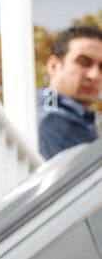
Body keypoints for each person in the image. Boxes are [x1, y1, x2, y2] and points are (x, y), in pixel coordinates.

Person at [37, 24, 101, 160]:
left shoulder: (72, 116)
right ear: (54, 66)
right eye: (84, 62)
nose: (94, 75)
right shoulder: (51, 116)